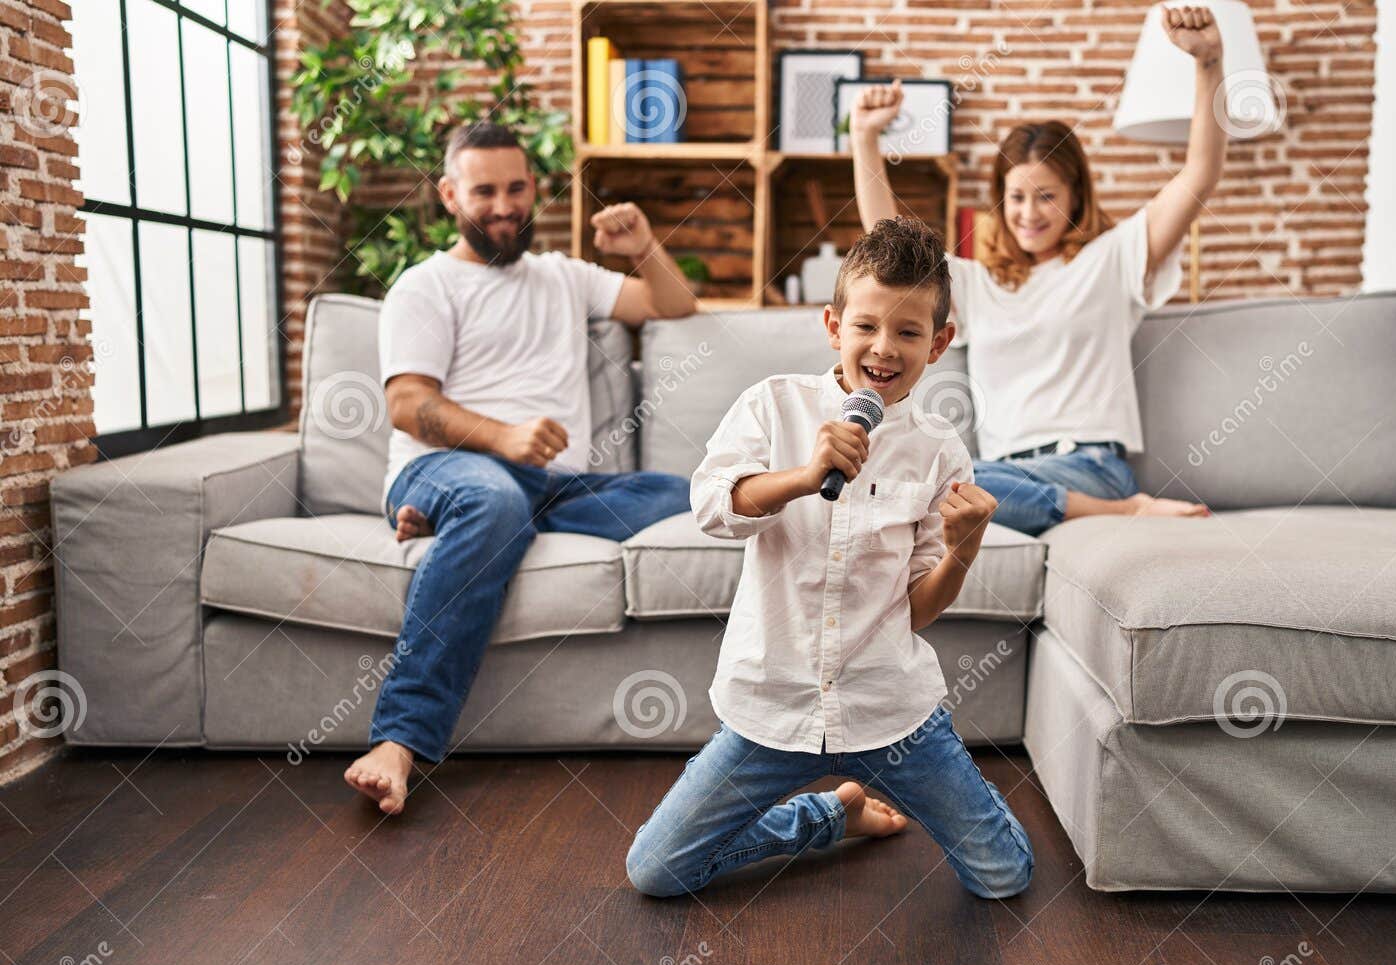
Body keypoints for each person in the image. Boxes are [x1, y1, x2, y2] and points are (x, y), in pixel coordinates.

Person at [625, 216, 1034, 900]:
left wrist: (962, 551)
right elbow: (711, 508)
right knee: (657, 869)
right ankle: (827, 816)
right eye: (867, 326)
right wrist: (801, 474)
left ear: (939, 344)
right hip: (773, 706)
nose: (883, 347)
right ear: (833, 326)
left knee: (1005, 877)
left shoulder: (940, 449)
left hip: (890, 710)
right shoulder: (773, 405)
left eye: (908, 332)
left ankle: (956, 797)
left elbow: (919, 612)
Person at [343, 120, 699, 815]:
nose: (503, 205)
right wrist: (502, 438)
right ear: (450, 194)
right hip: (444, 468)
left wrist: (642, 248)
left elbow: (673, 305)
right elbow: (407, 402)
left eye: (515, 188)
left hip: (552, 488)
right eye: (483, 191)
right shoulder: (425, 286)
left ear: (534, 188)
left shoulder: (564, 276)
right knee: (491, 500)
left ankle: (460, 533)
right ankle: (399, 740)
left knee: (691, 496)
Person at [849, 4, 1228, 535]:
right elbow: (890, 245)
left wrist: (1208, 62)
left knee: (944, 480)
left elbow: (1201, 174)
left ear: (1076, 195)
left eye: (1047, 196)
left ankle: (1125, 509)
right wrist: (864, 137)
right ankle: (1078, 510)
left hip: (1090, 466)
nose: (1029, 214)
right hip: (1008, 470)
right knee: (924, 471)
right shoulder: (977, 286)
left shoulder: (1113, 259)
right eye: (1017, 198)